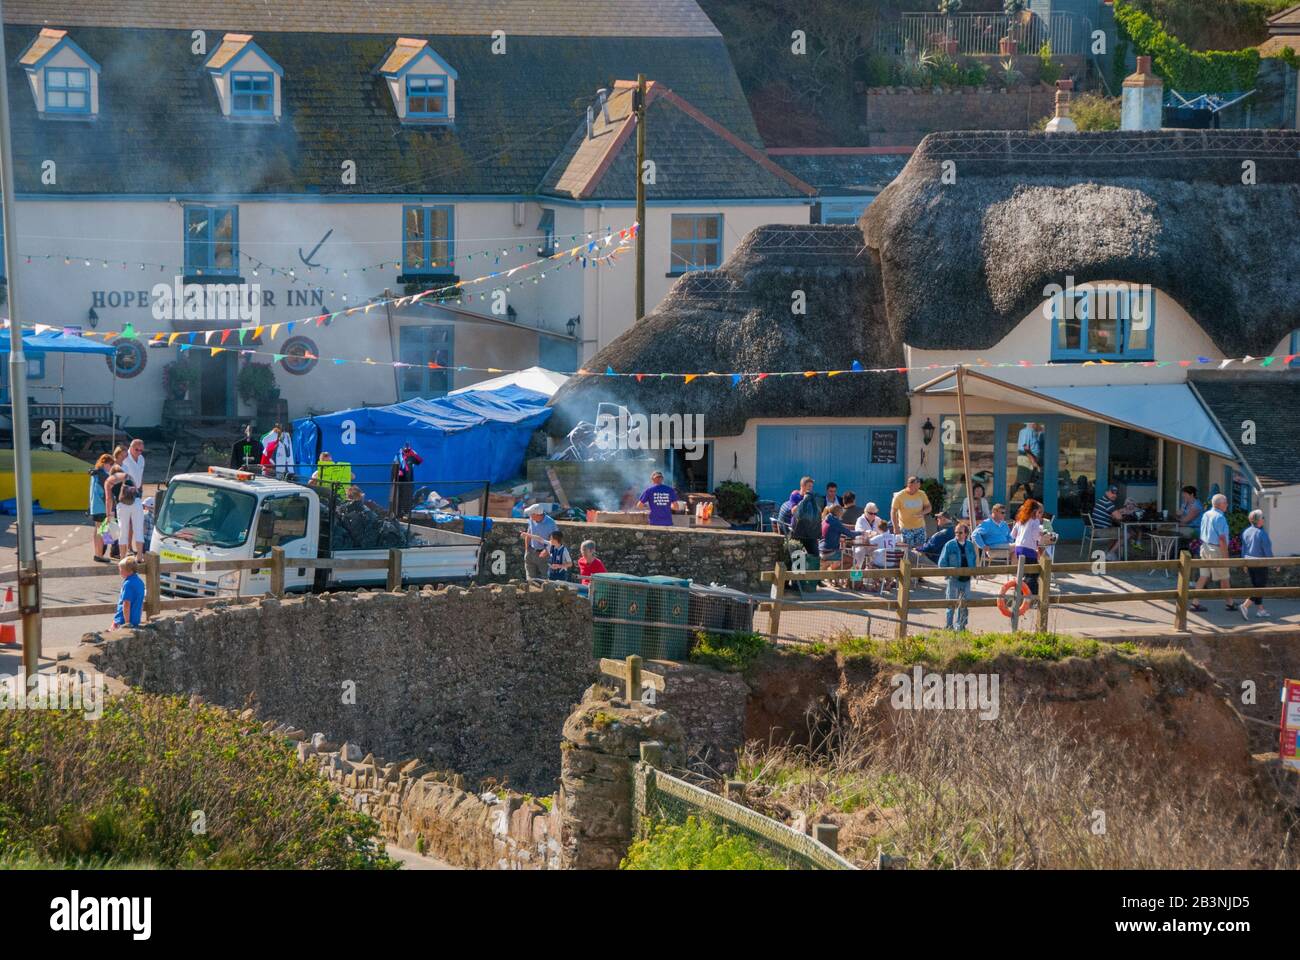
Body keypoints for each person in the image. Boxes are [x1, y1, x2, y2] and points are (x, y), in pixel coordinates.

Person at [1190, 493, 1236, 613]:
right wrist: (1226, 557)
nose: (1227, 504)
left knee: (1203, 575)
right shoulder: (1220, 517)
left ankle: (1195, 603)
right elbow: (1222, 538)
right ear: (1220, 504)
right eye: (1225, 502)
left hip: (1204, 547)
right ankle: (1230, 603)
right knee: (1224, 576)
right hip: (1216, 549)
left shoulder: (1206, 514)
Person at [105, 444, 144, 563]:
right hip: (135, 502)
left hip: (122, 505)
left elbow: (109, 499)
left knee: (122, 531)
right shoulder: (127, 476)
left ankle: (122, 558)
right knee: (138, 530)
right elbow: (137, 488)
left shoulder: (109, 482)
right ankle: (139, 557)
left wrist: (108, 515)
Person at [939, 522, 978, 631]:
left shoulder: (970, 545)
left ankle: (961, 627)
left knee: (964, 604)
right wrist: (949, 574)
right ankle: (949, 626)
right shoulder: (949, 545)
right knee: (951, 603)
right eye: (956, 532)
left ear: (966, 533)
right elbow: (942, 563)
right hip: (953, 579)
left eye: (960, 532)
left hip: (966, 580)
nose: (957, 534)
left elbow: (974, 560)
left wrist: (974, 573)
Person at [1239, 509, 1274, 620]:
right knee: (1260, 587)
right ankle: (1245, 606)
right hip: (1260, 564)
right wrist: (1275, 563)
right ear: (1258, 520)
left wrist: (1243, 563)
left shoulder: (1246, 532)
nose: (1264, 519)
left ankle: (1260, 610)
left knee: (1256, 586)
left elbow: (1244, 549)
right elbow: (1267, 551)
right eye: (1263, 518)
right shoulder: (1262, 533)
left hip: (1249, 563)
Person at [1011, 499, 1045, 598]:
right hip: (1029, 549)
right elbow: (1035, 537)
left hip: (1018, 548)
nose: (1039, 514)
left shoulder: (1020, 520)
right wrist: (1040, 534)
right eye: (1038, 512)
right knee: (1033, 574)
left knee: (1024, 572)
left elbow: (1013, 534)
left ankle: (1020, 594)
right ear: (1034, 511)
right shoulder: (1035, 521)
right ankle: (1031, 596)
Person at [890, 476, 932, 550]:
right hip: (906, 528)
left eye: (918, 487)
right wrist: (895, 527)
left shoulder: (921, 494)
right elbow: (893, 512)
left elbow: (929, 507)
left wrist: (922, 513)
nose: (917, 489)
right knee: (908, 551)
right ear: (909, 485)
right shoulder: (899, 496)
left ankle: (919, 562)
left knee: (920, 550)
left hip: (920, 528)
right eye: (915, 487)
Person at [88, 452, 114, 562]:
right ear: (106, 464)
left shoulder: (95, 473)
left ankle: (97, 553)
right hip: (102, 507)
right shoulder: (104, 476)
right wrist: (110, 509)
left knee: (98, 530)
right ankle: (99, 555)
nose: (111, 467)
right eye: (110, 464)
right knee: (102, 531)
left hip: (95, 506)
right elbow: (106, 494)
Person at [1091, 484, 1129, 559]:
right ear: (1106, 492)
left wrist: (1118, 511)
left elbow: (1112, 514)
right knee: (1127, 534)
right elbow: (1119, 517)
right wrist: (1123, 512)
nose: (1114, 495)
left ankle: (1108, 552)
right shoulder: (1108, 503)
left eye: (1116, 493)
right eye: (1112, 493)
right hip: (1102, 531)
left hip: (1097, 530)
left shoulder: (1101, 500)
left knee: (1117, 533)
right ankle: (1110, 553)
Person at [521, 503, 557, 580]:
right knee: (530, 578)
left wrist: (546, 551)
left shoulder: (551, 523)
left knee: (545, 579)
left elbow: (554, 541)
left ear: (537, 514)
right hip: (531, 552)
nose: (530, 516)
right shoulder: (532, 519)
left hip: (544, 554)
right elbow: (529, 533)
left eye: (531, 514)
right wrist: (527, 550)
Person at [790, 476, 822, 560]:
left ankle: (813, 572)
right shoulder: (795, 496)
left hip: (810, 531)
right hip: (798, 530)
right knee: (797, 558)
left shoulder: (812, 497)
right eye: (809, 486)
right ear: (803, 486)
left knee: (815, 556)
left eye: (812, 487)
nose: (811, 489)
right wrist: (804, 500)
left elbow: (818, 513)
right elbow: (793, 511)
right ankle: (797, 572)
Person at [390, 442, 424, 518]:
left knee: (408, 495)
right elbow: (393, 468)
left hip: (408, 480)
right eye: (405, 448)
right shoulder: (398, 456)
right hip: (399, 480)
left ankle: (406, 512)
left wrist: (413, 453)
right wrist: (398, 471)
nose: (406, 449)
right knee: (399, 496)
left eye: (408, 448)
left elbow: (420, 461)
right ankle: (398, 513)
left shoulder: (411, 456)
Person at [111, 555, 145, 631]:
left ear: (129, 571)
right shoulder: (140, 582)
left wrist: (126, 623)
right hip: (135, 620)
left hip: (122, 620)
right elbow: (141, 602)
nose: (119, 571)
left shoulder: (128, 584)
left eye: (121, 569)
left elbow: (126, 603)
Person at [1013, 422, 1044, 500]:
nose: (1037, 424)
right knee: (1021, 482)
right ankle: (1006, 499)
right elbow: (1025, 447)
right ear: (1032, 423)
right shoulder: (1028, 431)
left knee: (1026, 482)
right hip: (1027, 459)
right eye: (1036, 423)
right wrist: (1034, 462)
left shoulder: (1032, 432)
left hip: (1029, 458)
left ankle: (1030, 499)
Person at [819, 504, 849, 572]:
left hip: (822, 550)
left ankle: (831, 573)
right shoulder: (830, 523)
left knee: (841, 559)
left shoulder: (824, 523)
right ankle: (831, 572)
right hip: (829, 552)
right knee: (850, 561)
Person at [853, 501, 884, 568]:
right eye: (870, 513)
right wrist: (871, 533)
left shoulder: (878, 520)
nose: (873, 515)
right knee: (859, 552)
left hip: (874, 546)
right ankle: (856, 575)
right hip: (862, 545)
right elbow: (860, 532)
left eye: (875, 513)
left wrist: (872, 534)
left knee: (882, 552)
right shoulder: (860, 520)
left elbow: (883, 532)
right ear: (865, 511)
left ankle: (874, 574)